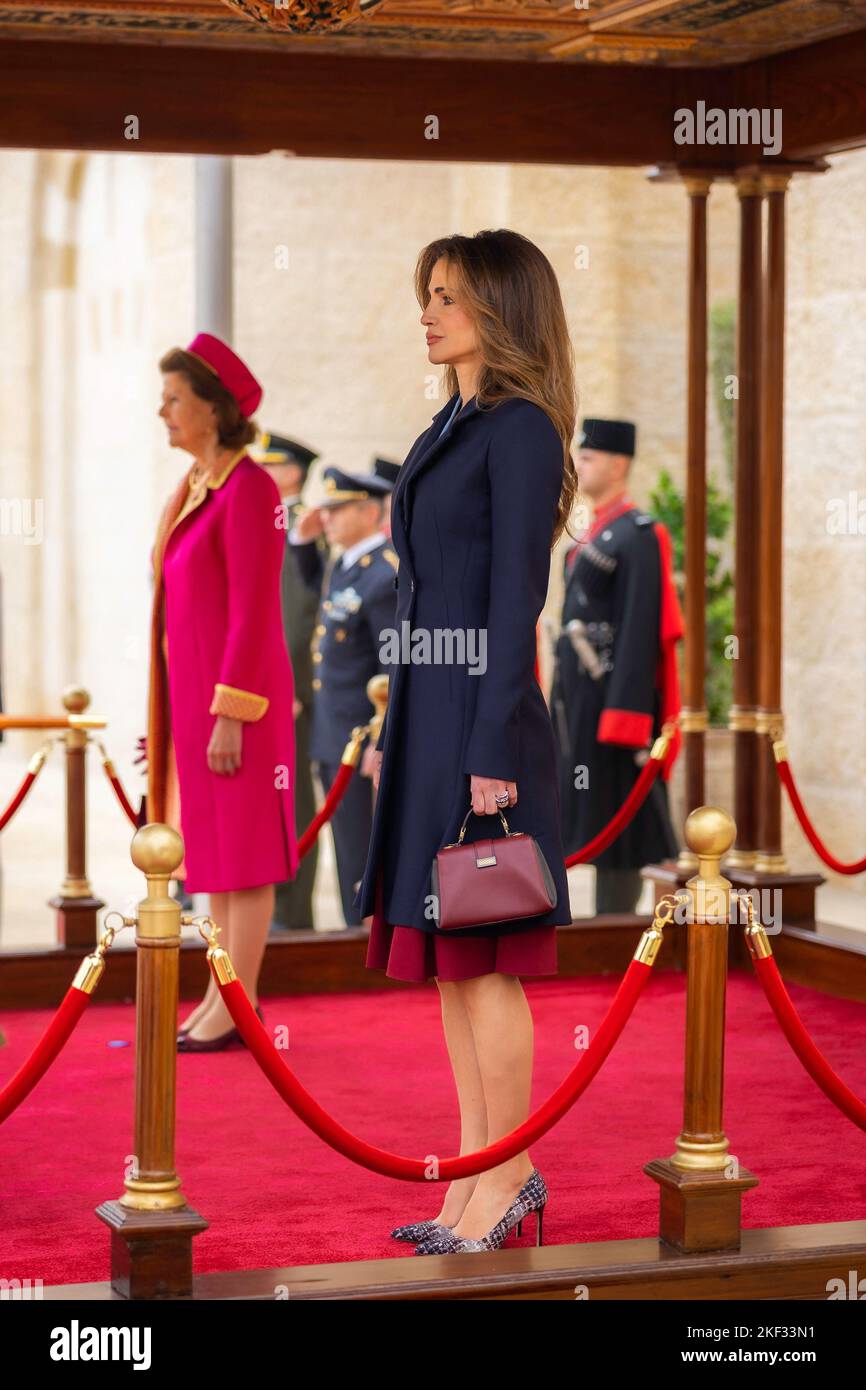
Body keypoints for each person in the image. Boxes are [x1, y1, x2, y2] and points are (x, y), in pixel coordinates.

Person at [352, 229, 579, 1255]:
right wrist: (396, 725)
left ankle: (511, 1176)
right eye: (426, 293)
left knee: (484, 960)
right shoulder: (454, 419)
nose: (427, 311)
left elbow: (513, 602)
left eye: (446, 296)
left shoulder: (520, 429)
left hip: (484, 727)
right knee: (450, 963)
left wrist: (486, 746)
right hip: (431, 714)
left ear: (498, 307)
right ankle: (473, 1178)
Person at [147, 332, 298, 1051]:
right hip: (203, 711)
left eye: (175, 399)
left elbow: (253, 612)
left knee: (245, 858)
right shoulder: (200, 486)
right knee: (215, 861)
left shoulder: (251, 487)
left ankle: (242, 1003)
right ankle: (221, 993)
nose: (163, 412)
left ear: (213, 408)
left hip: (242, 711)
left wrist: (230, 714)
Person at [550, 418, 683, 914]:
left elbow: (639, 629)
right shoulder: (594, 531)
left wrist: (626, 716)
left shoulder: (639, 534)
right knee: (581, 813)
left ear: (619, 463)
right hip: (578, 702)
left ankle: (617, 928)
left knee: (619, 827)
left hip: (612, 704)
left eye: (590, 457)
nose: (580, 464)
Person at [288, 466, 398, 927]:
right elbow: (318, 595)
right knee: (345, 840)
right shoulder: (346, 563)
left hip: (361, 735)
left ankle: (368, 936)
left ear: (370, 512)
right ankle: (358, 932)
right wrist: (300, 541)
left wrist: (384, 740)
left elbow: (393, 666)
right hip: (334, 733)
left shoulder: (384, 573)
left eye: (337, 509)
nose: (326, 518)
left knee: (362, 843)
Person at [252, 431, 321, 932]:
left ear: (293, 472)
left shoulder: (299, 526)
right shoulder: (269, 520)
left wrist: (289, 687)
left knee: (293, 803)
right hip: (263, 687)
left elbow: (298, 616)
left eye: (270, 466)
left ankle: (292, 920)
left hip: (289, 692)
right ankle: (273, 911)